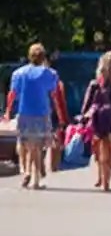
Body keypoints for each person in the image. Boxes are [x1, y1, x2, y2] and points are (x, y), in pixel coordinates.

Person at [3, 44, 61, 189]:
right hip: (42, 113)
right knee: (38, 146)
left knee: (23, 142)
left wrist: (8, 110)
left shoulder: (19, 73)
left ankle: (25, 170)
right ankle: (35, 180)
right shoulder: (50, 73)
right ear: (43, 57)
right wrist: (59, 113)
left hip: (24, 112)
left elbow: (12, 94)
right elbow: (54, 94)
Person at [82, 52, 111, 192]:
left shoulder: (94, 83)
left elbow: (87, 103)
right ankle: (106, 182)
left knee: (98, 148)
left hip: (96, 119)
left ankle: (100, 177)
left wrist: (84, 116)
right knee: (109, 150)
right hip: (110, 119)